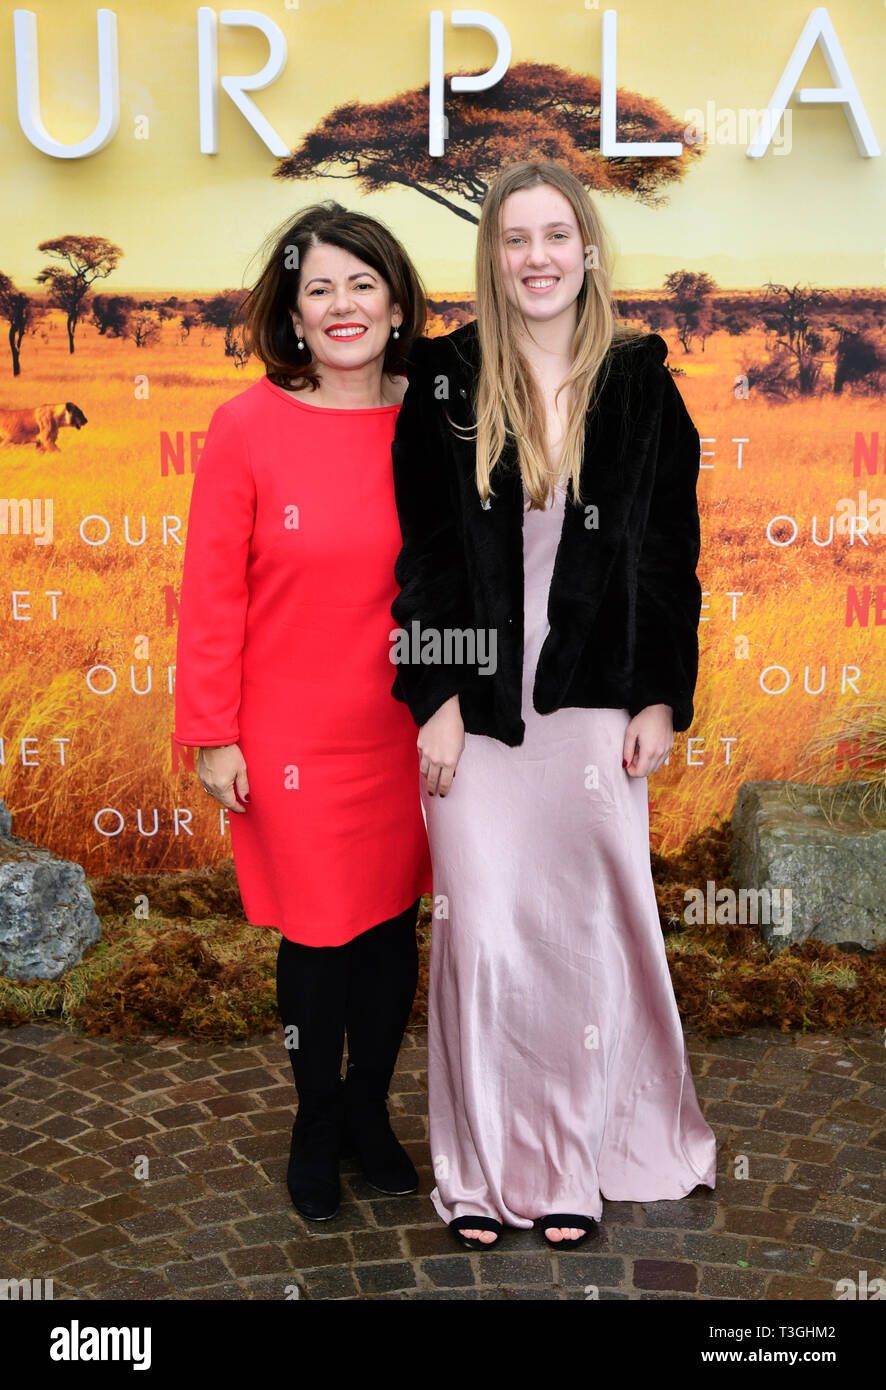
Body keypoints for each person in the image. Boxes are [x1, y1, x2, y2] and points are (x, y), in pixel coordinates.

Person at [389, 160, 717, 1251]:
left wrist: (662, 696)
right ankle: (478, 1165)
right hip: (476, 702)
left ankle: (570, 1160)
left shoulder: (640, 384)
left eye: (555, 235)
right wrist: (431, 693)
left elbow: (670, 557)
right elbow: (425, 559)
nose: (536, 256)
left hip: (593, 695)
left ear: (585, 250)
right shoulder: (444, 382)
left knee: (577, 938)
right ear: (492, 256)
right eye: (515, 237)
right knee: (481, 930)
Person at [173, 202, 432, 1222]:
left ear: (396, 298)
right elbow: (211, 590)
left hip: (408, 728)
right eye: (317, 287)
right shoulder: (246, 424)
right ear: (290, 308)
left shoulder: (434, 416)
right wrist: (212, 731)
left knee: (388, 931)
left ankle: (372, 1111)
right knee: (320, 939)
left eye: (360, 283)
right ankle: (314, 1123)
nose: (341, 305)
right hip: (288, 738)